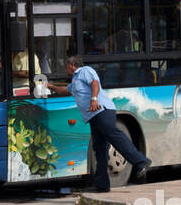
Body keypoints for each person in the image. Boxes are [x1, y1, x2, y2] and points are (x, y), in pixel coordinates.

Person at [50, 56, 150, 190]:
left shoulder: (85, 71)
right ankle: (102, 185)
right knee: (99, 148)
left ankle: (141, 162)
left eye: (66, 66)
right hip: (93, 116)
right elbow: (65, 90)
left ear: (72, 64)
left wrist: (94, 99)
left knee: (112, 134)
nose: (65, 69)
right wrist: (50, 86)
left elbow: (95, 83)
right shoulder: (75, 80)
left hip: (102, 110)